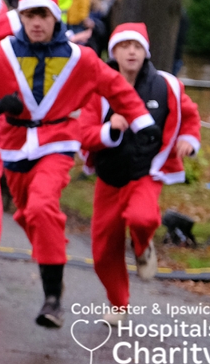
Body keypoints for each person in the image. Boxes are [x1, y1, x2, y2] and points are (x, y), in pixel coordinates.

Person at [0, 0, 161, 329]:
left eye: (43, 15)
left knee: (42, 207)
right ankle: (51, 271)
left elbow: (117, 88)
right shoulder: (0, 54)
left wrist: (142, 122)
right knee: (29, 216)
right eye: (29, 16)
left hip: (57, 143)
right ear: (20, 18)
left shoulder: (79, 58)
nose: (36, 22)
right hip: (13, 146)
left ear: (56, 17)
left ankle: (53, 299)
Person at [79, 23, 201, 324]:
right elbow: (83, 134)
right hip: (109, 176)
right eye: (124, 46)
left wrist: (189, 138)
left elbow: (190, 115)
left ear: (145, 52)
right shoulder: (97, 89)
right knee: (103, 251)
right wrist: (111, 129)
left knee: (142, 217)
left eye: (136, 46)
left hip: (147, 171)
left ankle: (143, 245)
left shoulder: (166, 85)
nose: (131, 51)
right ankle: (118, 303)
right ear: (114, 51)